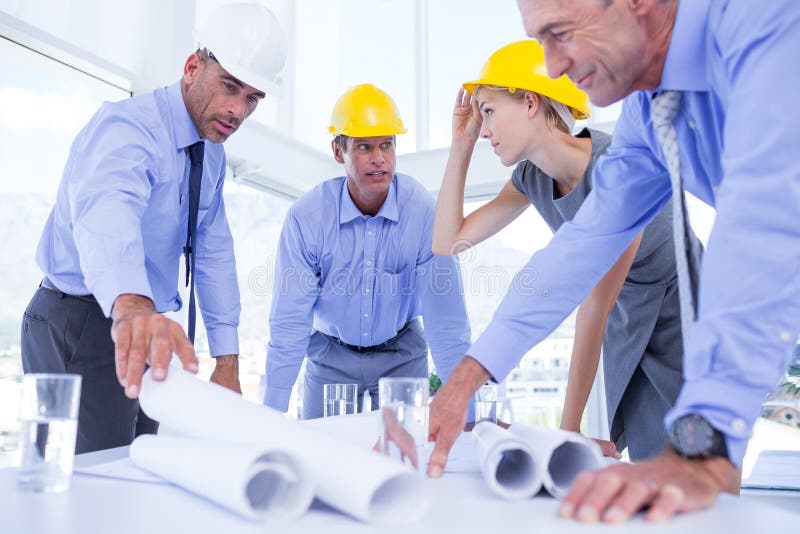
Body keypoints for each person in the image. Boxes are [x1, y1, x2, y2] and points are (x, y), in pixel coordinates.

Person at [427, 0, 800, 523]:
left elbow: (761, 225)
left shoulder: (767, 27)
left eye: (560, 33)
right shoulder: (649, 115)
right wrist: (473, 369)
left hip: (697, 332)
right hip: (647, 339)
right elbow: (582, 243)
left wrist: (702, 443)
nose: (554, 67)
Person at [21, 3, 287, 453]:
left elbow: (214, 249)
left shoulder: (211, 153)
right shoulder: (128, 128)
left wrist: (227, 359)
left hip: (142, 327)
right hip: (81, 321)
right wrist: (132, 308)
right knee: (96, 486)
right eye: (229, 87)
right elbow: (108, 213)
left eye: (252, 99)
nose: (238, 110)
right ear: (191, 67)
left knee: (142, 465)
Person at [433, 39, 694, 461]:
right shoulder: (530, 179)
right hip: (630, 326)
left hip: (684, 319)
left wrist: (566, 433)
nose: (483, 129)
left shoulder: (619, 168)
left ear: (531, 102)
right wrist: (459, 148)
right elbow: (448, 242)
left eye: (489, 111)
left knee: (702, 479)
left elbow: (593, 307)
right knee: (654, 487)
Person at [264, 84, 471, 419]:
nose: (379, 158)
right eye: (364, 147)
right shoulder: (308, 218)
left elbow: (447, 322)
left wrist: (468, 415)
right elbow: (289, 323)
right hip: (330, 355)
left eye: (387, 145)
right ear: (337, 151)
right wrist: (269, 417)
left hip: (402, 353)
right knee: (323, 454)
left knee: (404, 457)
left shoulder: (422, 212)